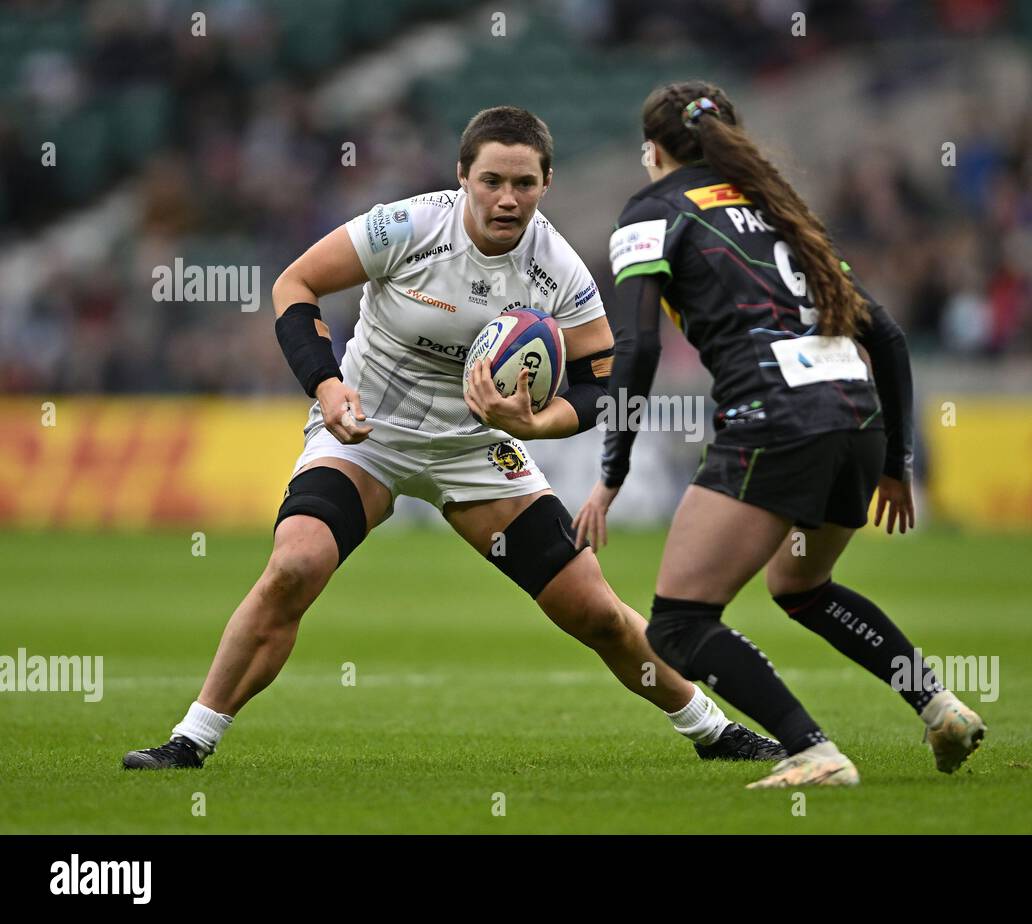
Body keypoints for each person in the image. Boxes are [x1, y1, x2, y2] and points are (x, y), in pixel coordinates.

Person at [123, 106, 783, 770]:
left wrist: (537, 424)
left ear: (547, 183)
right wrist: (326, 386)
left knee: (596, 612)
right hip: (366, 435)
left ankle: (713, 732)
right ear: (462, 176)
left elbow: (602, 381)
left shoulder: (556, 267)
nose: (507, 198)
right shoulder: (407, 226)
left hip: (476, 450)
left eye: (524, 183)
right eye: (491, 180)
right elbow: (296, 283)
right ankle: (191, 740)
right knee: (294, 566)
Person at [573, 83, 987, 789]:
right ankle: (937, 705)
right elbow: (884, 336)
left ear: (652, 151)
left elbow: (637, 348)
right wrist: (896, 460)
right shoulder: (779, 209)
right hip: (856, 416)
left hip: (773, 417)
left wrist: (612, 470)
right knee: (803, 584)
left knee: (678, 624)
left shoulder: (649, 212)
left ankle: (812, 751)